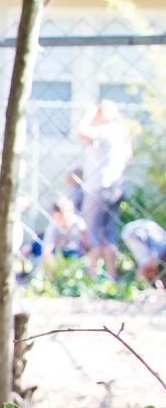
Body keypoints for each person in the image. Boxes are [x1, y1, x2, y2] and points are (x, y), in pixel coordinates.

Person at [75, 100, 133, 279]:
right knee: (109, 234)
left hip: (99, 187)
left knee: (92, 232)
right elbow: (129, 159)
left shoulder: (106, 130)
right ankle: (111, 277)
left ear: (101, 114)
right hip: (117, 187)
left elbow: (79, 132)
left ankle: (92, 276)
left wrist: (87, 114)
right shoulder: (122, 132)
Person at [122, 218, 166, 285]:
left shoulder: (163, 241)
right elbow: (151, 262)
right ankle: (138, 285)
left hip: (134, 230)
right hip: (133, 233)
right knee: (146, 262)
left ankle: (139, 284)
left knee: (145, 261)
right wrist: (158, 281)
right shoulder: (162, 246)